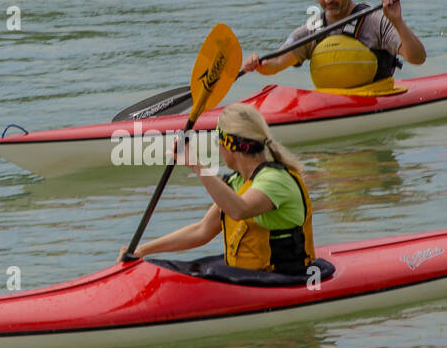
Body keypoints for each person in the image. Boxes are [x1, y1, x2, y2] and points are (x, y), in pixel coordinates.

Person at [121, 103, 315, 275]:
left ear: (230, 146)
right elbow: (202, 230)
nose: (218, 149)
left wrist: (198, 167)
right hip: (250, 277)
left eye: (218, 143)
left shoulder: (275, 180)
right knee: (169, 267)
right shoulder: (238, 182)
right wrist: (142, 251)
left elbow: (239, 210)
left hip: (285, 278)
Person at [242, 0, 426, 88]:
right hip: (332, 100)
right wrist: (258, 65)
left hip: (378, 96)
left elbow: (417, 58)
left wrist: (397, 21)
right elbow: (276, 64)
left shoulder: (375, 20)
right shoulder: (312, 29)